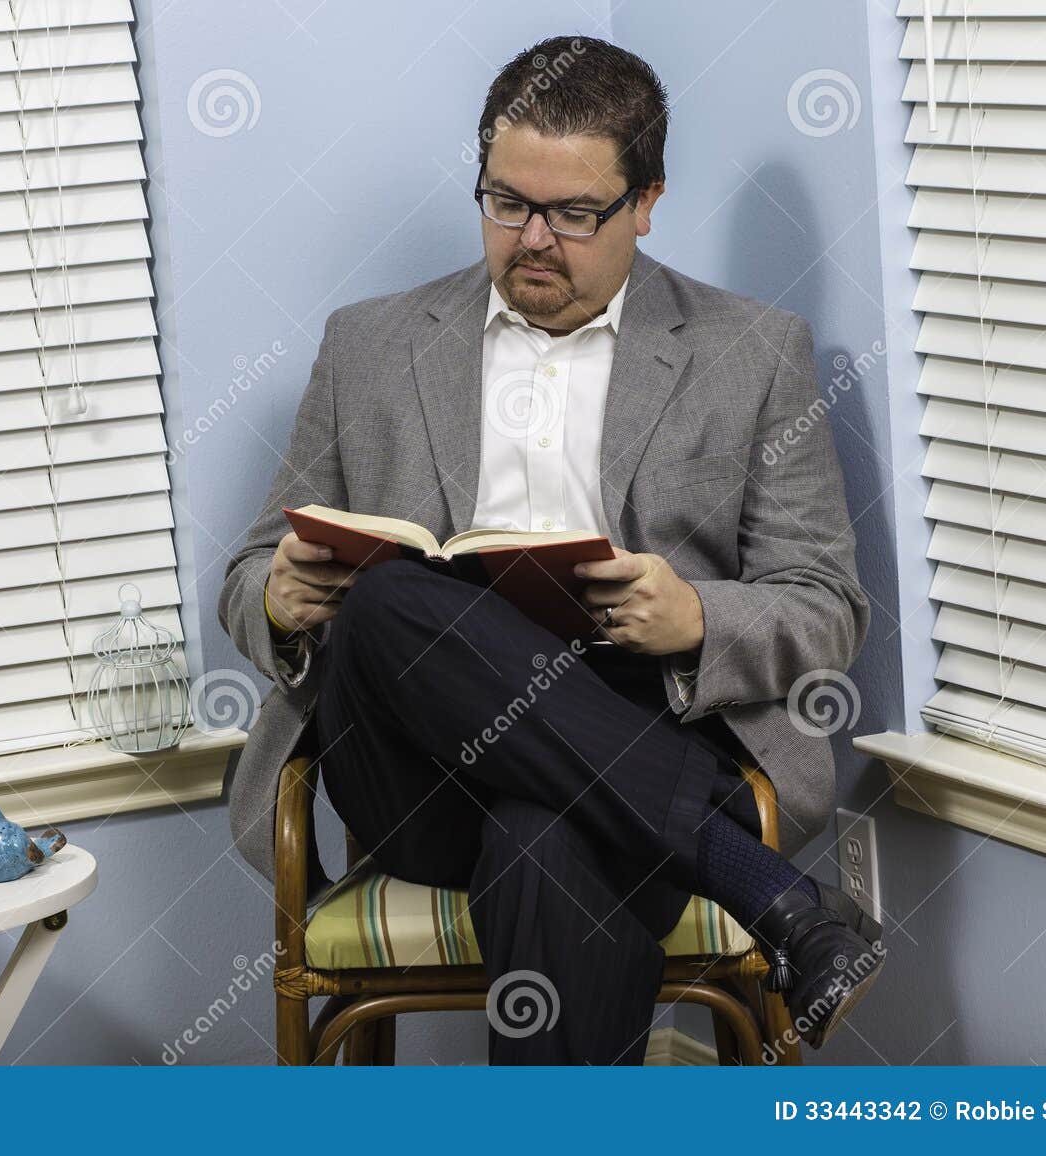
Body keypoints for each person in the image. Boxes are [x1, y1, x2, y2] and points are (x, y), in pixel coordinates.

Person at [217, 34, 882, 1064]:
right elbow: (249, 570)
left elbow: (825, 602)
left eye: (573, 214)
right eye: (506, 202)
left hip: (640, 720)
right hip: (415, 766)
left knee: (544, 838)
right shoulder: (369, 343)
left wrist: (696, 615)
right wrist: (278, 596)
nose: (533, 237)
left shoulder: (751, 351)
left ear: (646, 200)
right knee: (391, 608)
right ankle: (776, 896)